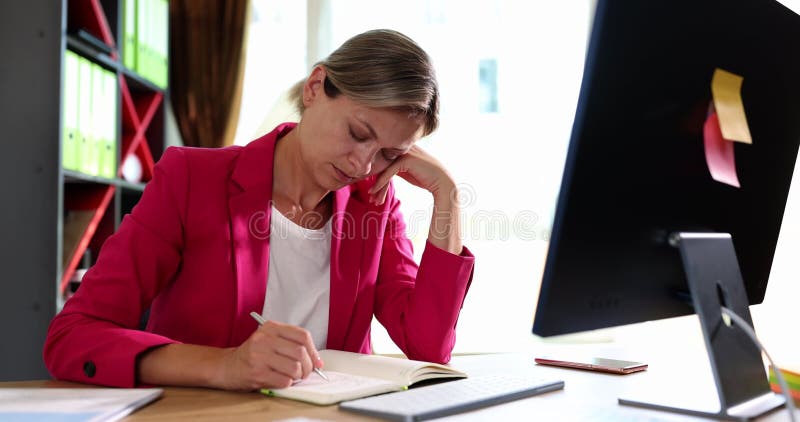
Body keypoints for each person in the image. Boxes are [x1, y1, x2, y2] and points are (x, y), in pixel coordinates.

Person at [44, 29, 474, 391]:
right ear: (315, 87)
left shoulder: (374, 205)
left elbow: (427, 349)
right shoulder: (191, 178)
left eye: (388, 154)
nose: (363, 165)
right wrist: (226, 366)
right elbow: (72, 337)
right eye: (359, 133)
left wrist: (448, 198)